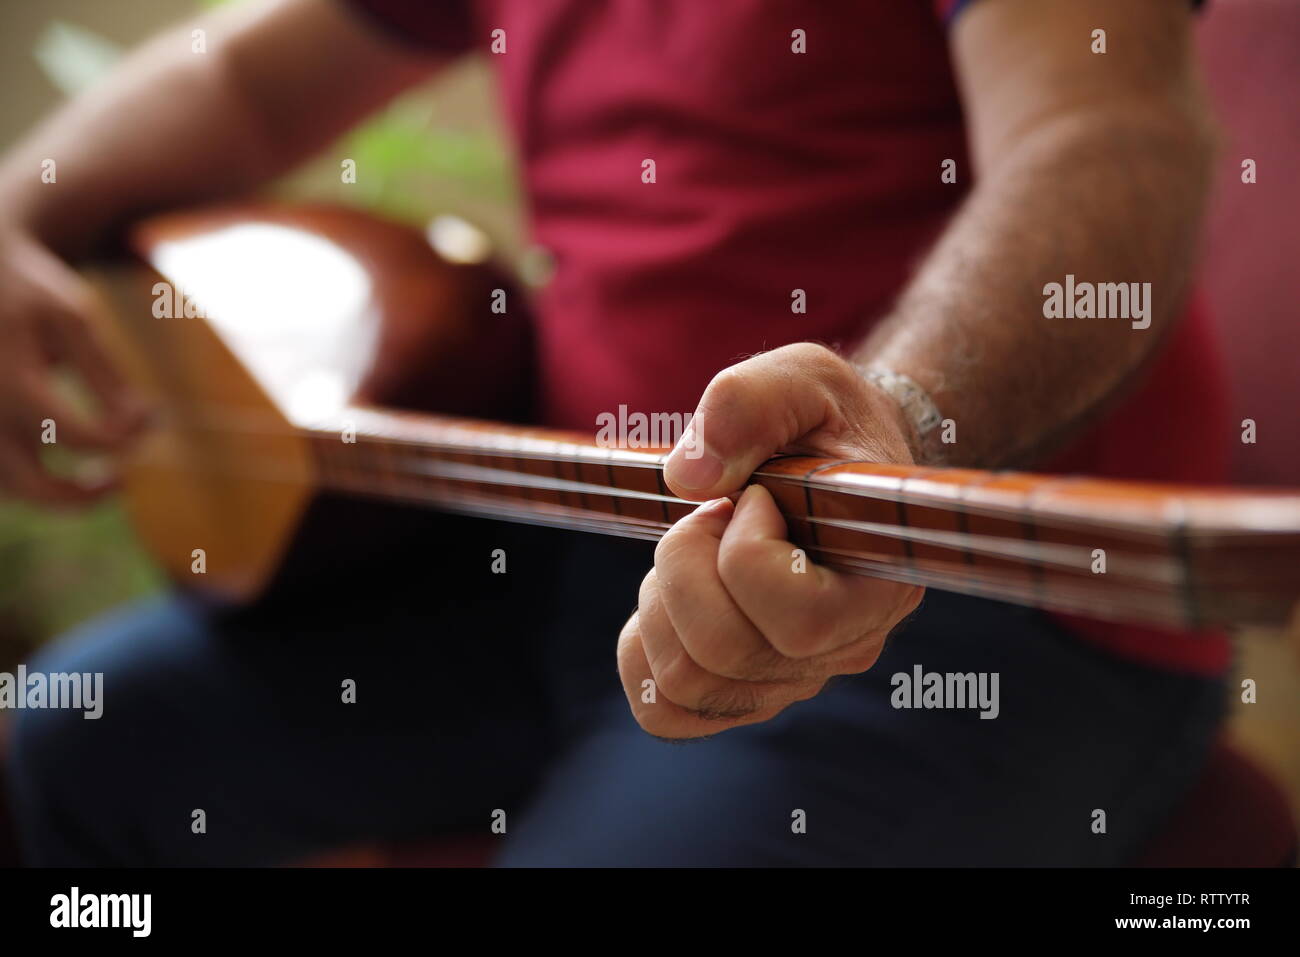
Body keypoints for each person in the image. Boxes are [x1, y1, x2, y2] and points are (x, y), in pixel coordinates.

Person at [0, 0, 1230, 866]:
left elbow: (1101, 137)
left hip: (978, 591)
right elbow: (241, 77)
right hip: (570, 546)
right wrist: (14, 222)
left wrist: (892, 427)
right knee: (58, 748)